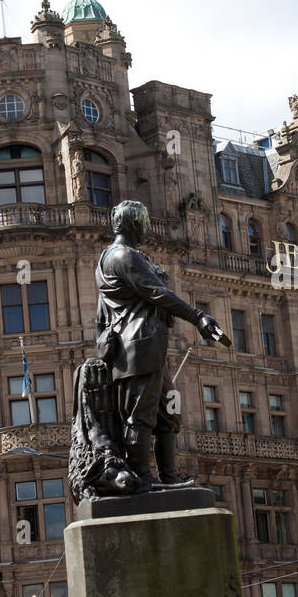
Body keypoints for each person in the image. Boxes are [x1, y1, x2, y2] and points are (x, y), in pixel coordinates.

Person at [72, 200, 225, 498]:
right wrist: (198, 316)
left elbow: (105, 315)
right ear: (135, 224)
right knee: (139, 416)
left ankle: (168, 476)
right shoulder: (124, 256)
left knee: (169, 415)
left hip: (148, 349)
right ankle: (142, 477)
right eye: (143, 224)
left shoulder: (110, 260)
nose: (146, 229)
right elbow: (158, 294)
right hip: (137, 348)